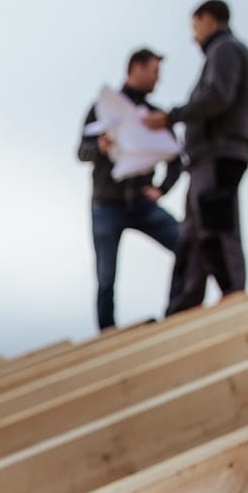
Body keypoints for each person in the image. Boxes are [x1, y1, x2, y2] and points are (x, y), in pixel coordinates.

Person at [144, 0, 248, 315]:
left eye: (195, 26)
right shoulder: (220, 53)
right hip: (206, 158)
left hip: (219, 154)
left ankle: (234, 297)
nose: (193, 35)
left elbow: (218, 97)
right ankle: (183, 307)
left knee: (217, 227)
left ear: (208, 19)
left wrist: (172, 116)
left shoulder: (225, 50)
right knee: (193, 238)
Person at [78, 47, 184, 331]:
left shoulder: (154, 116)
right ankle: (108, 335)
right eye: (154, 72)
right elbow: (81, 151)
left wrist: (161, 189)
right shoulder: (103, 107)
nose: (157, 80)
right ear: (136, 67)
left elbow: (177, 160)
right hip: (106, 203)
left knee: (187, 243)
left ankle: (175, 311)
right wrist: (99, 148)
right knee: (105, 277)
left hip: (140, 202)